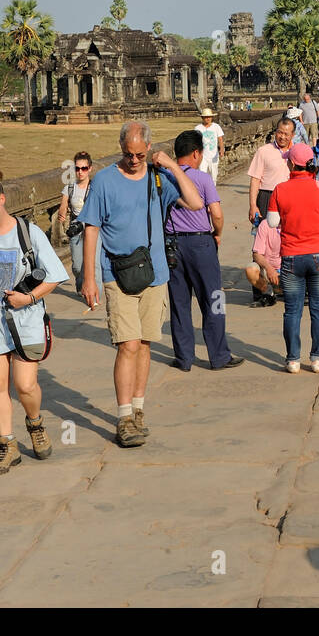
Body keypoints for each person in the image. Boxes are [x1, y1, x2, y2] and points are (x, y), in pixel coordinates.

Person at [79, 120, 205, 448]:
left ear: (148, 148)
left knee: (145, 344)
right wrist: (89, 277)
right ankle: (122, 417)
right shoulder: (105, 180)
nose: (133, 160)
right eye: (127, 154)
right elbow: (91, 227)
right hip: (116, 273)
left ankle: (138, 410)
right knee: (128, 345)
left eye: (138, 154)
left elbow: (195, 203)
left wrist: (174, 168)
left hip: (154, 273)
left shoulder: (158, 177)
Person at [0, 169, 66, 474]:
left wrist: (28, 298)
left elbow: (55, 276)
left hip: (26, 318)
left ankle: (35, 423)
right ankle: (7, 445)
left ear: (1, 200)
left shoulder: (29, 233)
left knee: (26, 385)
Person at [165, 130, 243, 372]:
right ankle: (219, 355)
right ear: (196, 153)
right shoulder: (202, 178)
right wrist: (217, 233)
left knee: (179, 303)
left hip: (172, 244)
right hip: (200, 243)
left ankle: (184, 357)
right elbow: (216, 214)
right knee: (214, 299)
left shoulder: (163, 178)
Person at [268, 144, 319, 372]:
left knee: (292, 309)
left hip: (291, 254)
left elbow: (271, 222)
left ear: (291, 163)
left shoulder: (280, 189)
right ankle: (318, 357)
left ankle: (292, 358)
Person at [59, 150, 101, 301]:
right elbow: (63, 204)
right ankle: (81, 286)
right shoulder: (70, 187)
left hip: (93, 225)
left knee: (95, 263)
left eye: (84, 168)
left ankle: (97, 295)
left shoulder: (96, 187)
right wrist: (62, 213)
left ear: (90, 168)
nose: (80, 172)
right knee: (78, 265)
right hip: (76, 226)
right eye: (77, 168)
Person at [247, 117, 295, 224]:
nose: (282, 137)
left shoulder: (296, 152)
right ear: (275, 132)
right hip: (267, 197)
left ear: (293, 135)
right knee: (265, 234)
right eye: (280, 133)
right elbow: (255, 180)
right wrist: (253, 206)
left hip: (290, 198)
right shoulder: (263, 151)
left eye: (286, 134)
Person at [244, 216, 282, 307]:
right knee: (250, 270)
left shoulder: (296, 223)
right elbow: (256, 254)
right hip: (268, 271)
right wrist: (269, 269)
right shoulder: (265, 224)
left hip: (289, 270)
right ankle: (268, 293)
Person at [195, 108, 226, 182]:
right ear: (202, 118)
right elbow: (195, 141)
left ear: (212, 117)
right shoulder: (198, 128)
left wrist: (222, 149)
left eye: (209, 117)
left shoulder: (216, 127)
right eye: (206, 117)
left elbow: (220, 139)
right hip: (202, 156)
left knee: (213, 176)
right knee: (202, 176)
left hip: (213, 156)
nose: (208, 119)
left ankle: (212, 191)